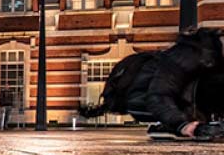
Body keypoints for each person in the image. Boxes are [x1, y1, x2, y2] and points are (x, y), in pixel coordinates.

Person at [82, 27, 224, 139]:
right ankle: (173, 123)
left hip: (177, 102)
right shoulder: (189, 55)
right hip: (144, 100)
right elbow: (159, 95)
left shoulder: (211, 56)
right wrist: (183, 125)